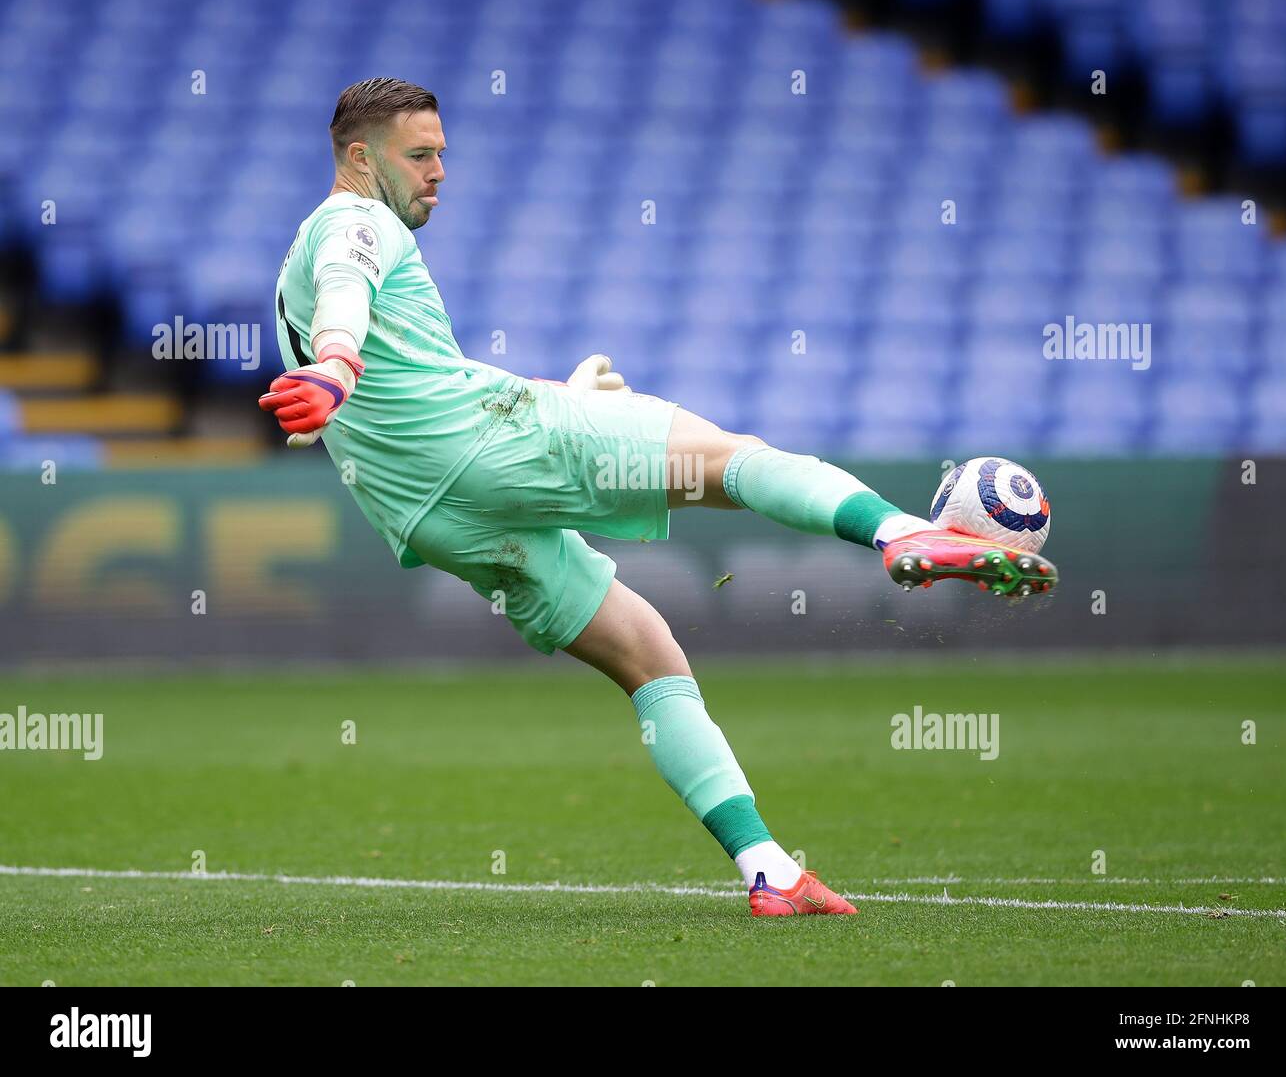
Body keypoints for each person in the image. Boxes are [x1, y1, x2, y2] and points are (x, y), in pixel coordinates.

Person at [260, 78, 1057, 918]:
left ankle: (768, 869)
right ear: (359, 156)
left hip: (439, 517)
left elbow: (403, 376)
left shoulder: (294, 265)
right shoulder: (356, 221)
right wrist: (336, 365)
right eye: (420, 155)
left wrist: (543, 389)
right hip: (496, 442)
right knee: (738, 460)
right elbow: (350, 301)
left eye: (444, 155)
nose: (439, 172)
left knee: (650, 654)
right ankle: (902, 534)